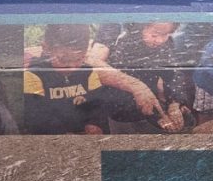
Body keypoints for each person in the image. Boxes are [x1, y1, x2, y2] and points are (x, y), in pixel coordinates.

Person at [22, 23, 182, 135]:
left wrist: (95, 124)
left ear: (86, 52)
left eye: (78, 60)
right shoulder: (34, 75)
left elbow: (96, 105)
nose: (71, 67)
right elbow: (36, 116)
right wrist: (63, 134)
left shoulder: (88, 71)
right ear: (46, 48)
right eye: (63, 60)